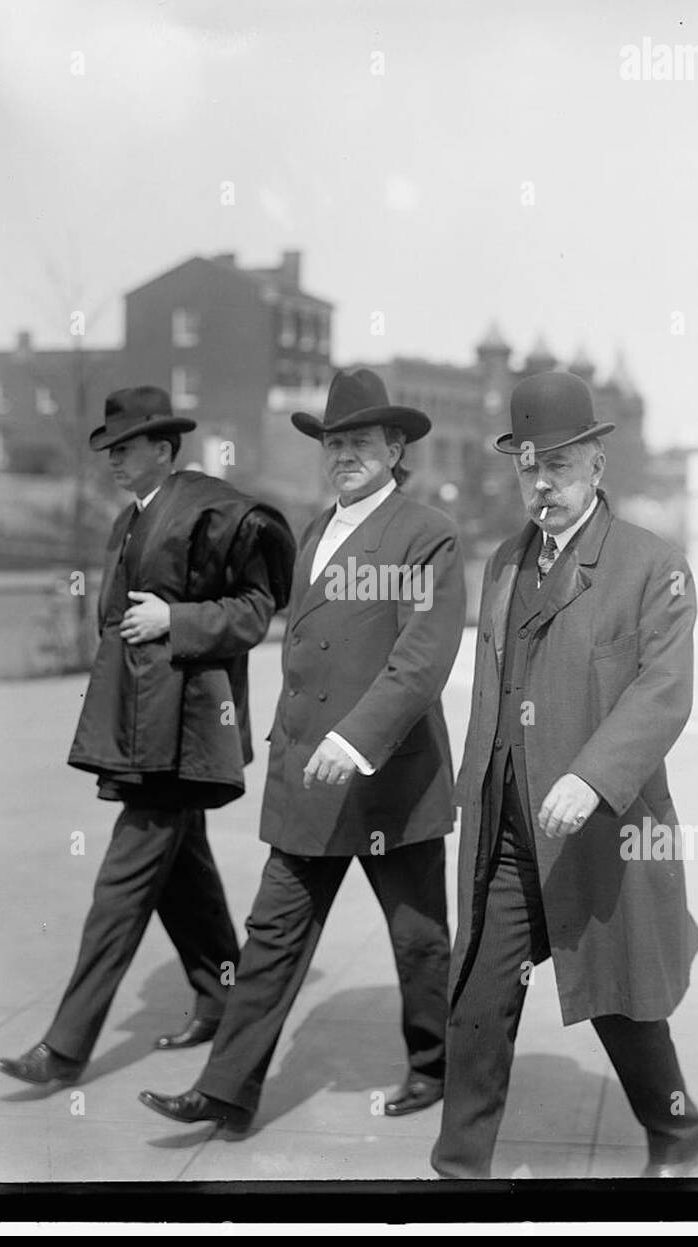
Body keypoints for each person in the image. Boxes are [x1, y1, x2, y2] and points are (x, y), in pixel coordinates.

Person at [138, 367, 466, 1134]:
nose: (344, 453)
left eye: (360, 440)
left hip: (391, 778)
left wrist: (356, 738)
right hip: (308, 782)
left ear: (395, 446)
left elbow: (423, 655)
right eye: (334, 441)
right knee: (274, 933)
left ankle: (433, 1066)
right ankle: (226, 1090)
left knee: (419, 940)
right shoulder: (317, 529)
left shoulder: (428, 533)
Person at [431, 369, 698, 1178]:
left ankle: (677, 1135)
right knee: (478, 1000)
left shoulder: (652, 566)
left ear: (596, 464)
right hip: (506, 831)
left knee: (621, 1002)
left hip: (600, 831)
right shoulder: (503, 565)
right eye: (527, 465)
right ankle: (458, 1171)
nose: (540, 482)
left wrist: (590, 777)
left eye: (557, 463)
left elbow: (665, 692)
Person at [0, 385, 295, 1087]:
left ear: (163, 449)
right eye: (109, 450)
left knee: (120, 887)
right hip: (142, 731)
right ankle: (223, 994)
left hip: (183, 737)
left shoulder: (214, 512)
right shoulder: (133, 518)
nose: (113, 461)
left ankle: (65, 1048)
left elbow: (255, 613)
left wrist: (176, 622)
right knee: (183, 875)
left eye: (124, 449)